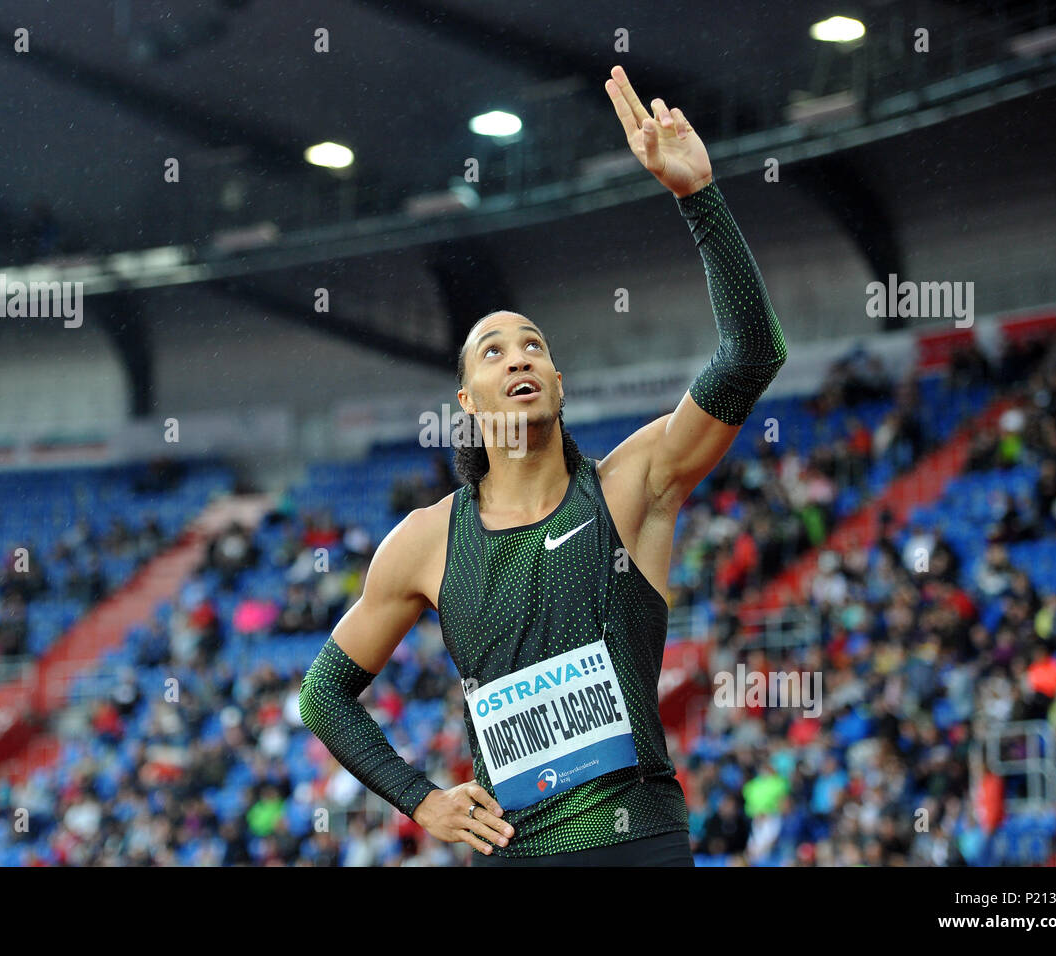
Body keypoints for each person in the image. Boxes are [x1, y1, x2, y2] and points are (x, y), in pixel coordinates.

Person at [299, 65, 787, 866]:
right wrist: (420, 798)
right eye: (495, 349)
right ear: (468, 398)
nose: (519, 356)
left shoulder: (632, 485)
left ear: (558, 384)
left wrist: (698, 197)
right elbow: (324, 694)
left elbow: (751, 354)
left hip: (641, 842)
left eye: (535, 346)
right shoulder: (424, 543)